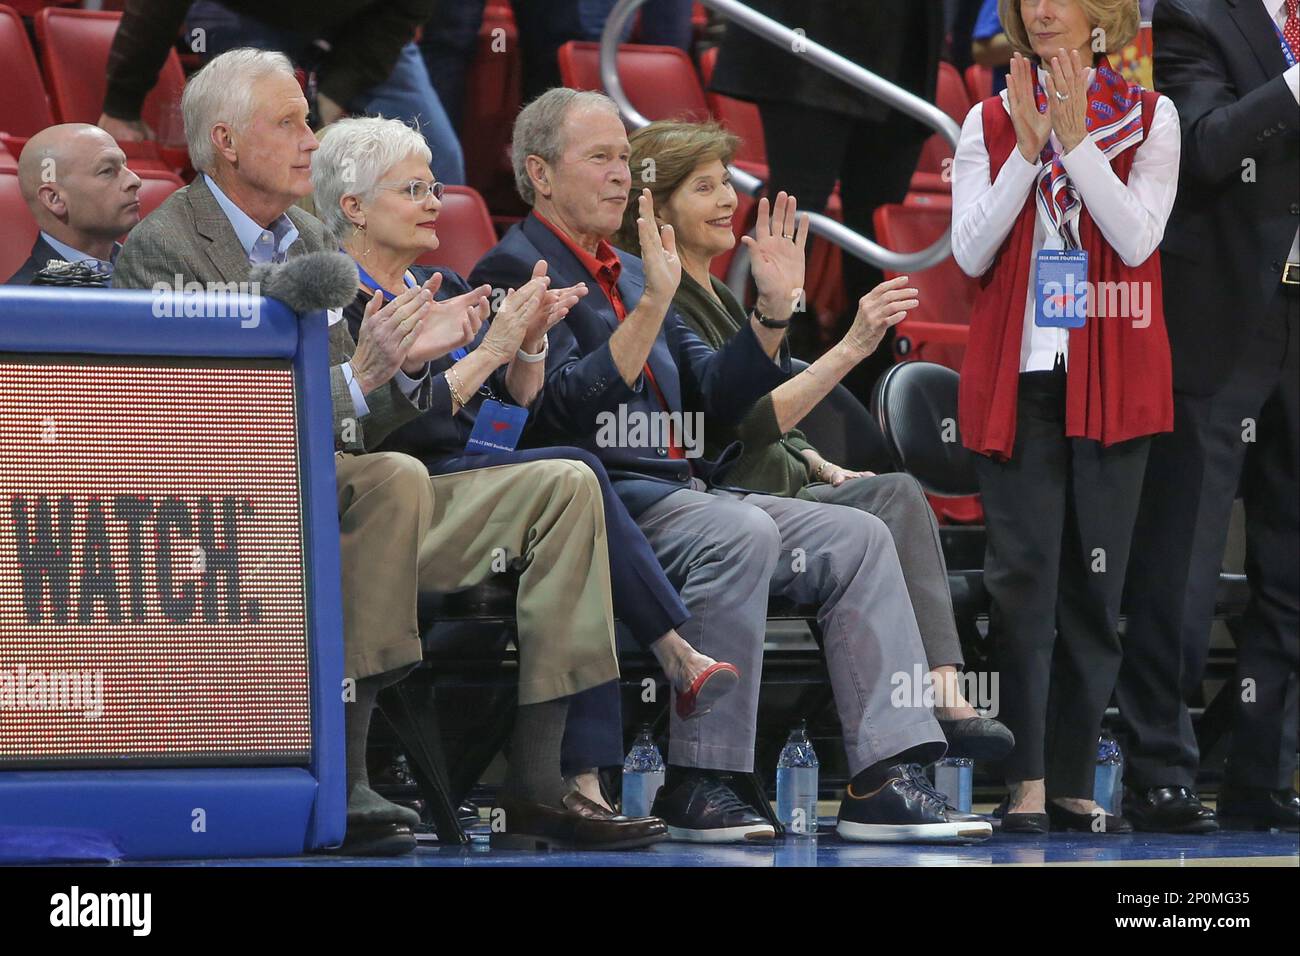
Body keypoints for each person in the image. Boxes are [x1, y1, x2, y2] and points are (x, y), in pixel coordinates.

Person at [112, 48, 668, 854]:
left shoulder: (311, 240)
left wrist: (401, 373)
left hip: (346, 483)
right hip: (233, 506)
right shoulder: (167, 250)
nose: (311, 135)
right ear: (226, 142)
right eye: (289, 122)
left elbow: (356, 419)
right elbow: (208, 429)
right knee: (394, 478)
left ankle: (541, 785)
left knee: (566, 482)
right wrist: (377, 375)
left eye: (309, 118)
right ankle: (352, 766)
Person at [473, 87, 993, 844]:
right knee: (738, 528)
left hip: (688, 493)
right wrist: (651, 303)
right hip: (600, 502)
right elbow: (555, 416)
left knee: (859, 539)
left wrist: (773, 313)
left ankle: (883, 777)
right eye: (600, 159)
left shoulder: (631, 266)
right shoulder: (514, 266)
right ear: (540, 175)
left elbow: (719, 405)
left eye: (625, 157)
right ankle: (702, 780)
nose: (622, 175)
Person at [310, 115, 742, 811]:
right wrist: (490, 348)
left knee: (570, 482)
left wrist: (530, 347)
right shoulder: (335, 298)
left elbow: (501, 421)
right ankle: (664, 659)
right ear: (353, 208)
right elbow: (387, 431)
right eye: (413, 189)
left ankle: (558, 782)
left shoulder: (443, 283)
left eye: (435, 186)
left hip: (467, 476)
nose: (434, 202)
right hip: (387, 495)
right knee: (575, 473)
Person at [618, 119, 1015, 761]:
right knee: (891, 504)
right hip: (726, 502)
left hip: (773, 487)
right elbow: (739, 421)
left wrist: (814, 459)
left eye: (726, 183)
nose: (726, 200)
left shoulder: (715, 290)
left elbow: (770, 413)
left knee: (896, 495)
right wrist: (855, 346)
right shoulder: (656, 297)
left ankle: (934, 703)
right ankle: (934, 701)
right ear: (657, 208)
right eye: (702, 188)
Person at [951, 0, 1179, 833]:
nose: (1041, 10)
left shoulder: (1156, 118)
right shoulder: (985, 118)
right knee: (1023, 588)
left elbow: (1136, 239)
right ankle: (1025, 784)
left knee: (1093, 588)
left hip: (1112, 384)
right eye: (1027, 0)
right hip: (1022, 384)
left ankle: (1077, 783)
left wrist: (1076, 144)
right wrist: (1029, 150)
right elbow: (970, 252)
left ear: (1103, 18)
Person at [1116, 0, 1300, 833]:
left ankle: (1265, 771)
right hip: (1227, 319)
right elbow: (1207, 147)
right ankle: (1161, 768)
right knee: (1182, 558)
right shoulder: (1197, 16)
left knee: (1294, 569)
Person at [708, 0, 945, 399]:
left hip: (903, 49)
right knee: (797, 215)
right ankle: (766, 369)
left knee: (874, 235)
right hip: (809, 42)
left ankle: (864, 384)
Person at [97, 0, 465, 184]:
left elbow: (404, 10)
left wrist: (332, 95)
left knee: (437, 158)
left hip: (365, 26)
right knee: (271, 153)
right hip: (245, 11)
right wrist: (122, 102)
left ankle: (423, 296)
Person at [5, 124, 141, 285]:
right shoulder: (26, 305)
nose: (135, 180)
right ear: (54, 199)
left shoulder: (153, 268)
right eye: (107, 171)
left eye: (125, 166)